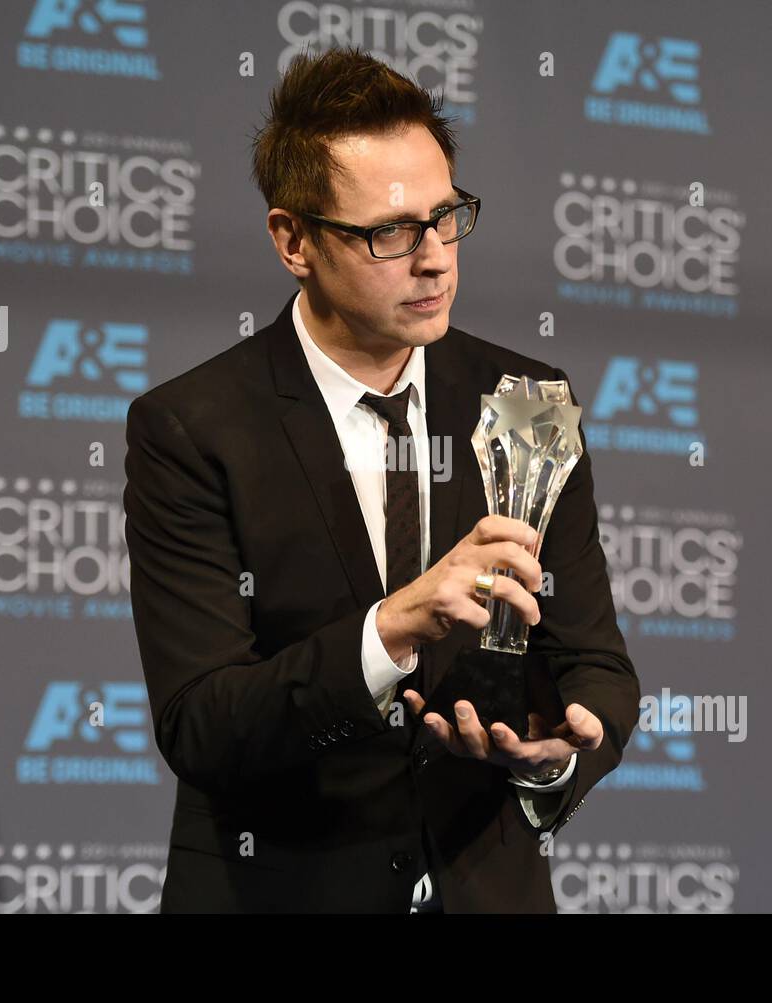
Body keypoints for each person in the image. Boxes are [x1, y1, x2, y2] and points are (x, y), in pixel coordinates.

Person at [123, 46, 639, 913]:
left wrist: (559, 754)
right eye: (391, 233)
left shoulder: (529, 405)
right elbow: (202, 723)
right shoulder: (194, 427)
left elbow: (595, 664)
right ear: (294, 241)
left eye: (447, 217)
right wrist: (394, 625)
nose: (434, 258)